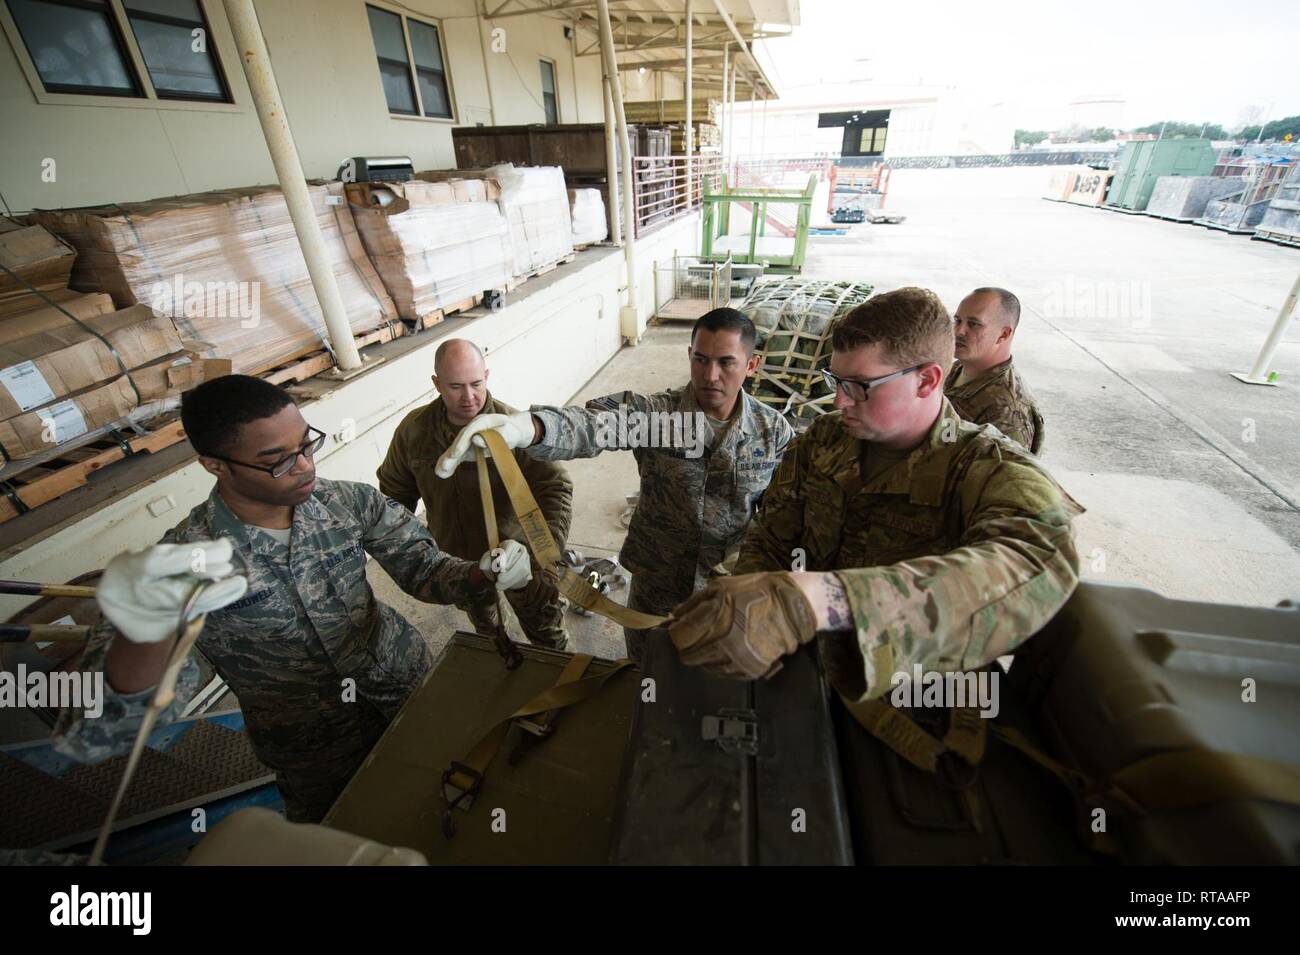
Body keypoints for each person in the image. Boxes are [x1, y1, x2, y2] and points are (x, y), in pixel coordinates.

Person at [55, 375, 532, 822]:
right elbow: (106, 728)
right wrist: (146, 633)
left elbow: (425, 570)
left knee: (442, 798)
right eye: (277, 459)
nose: (305, 465)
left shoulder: (346, 502)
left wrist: (483, 574)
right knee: (339, 831)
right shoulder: (184, 566)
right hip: (314, 748)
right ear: (215, 465)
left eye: (306, 443)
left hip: (404, 686)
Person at [667, 287, 1082, 704]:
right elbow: (773, 536)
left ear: (927, 379)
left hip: (909, 705)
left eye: (861, 385)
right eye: (837, 380)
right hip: (801, 682)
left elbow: (1035, 563)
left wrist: (821, 601)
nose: (840, 400)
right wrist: (744, 610)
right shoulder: (826, 440)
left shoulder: (988, 469)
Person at [434, 308, 794, 659]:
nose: (710, 374)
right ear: (688, 356)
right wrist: (527, 428)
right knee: (646, 677)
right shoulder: (660, 418)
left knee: (712, 687)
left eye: (726, 362)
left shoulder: (773, 432)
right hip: (656, 587)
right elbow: (596, 426)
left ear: (751, 365)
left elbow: (781, 518)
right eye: (700, 359)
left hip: (728, 594)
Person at [377, 339, 572, 649]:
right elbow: (393, 496)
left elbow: (555, 487)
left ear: (487, 375)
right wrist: (420, 549)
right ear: (436, 383)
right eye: (455, 387)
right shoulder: (415, 432)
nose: (469, 397)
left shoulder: (512, 427)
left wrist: (538, 554)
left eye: (476, 384)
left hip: (519, 559)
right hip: (461, 563)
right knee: (489, 632)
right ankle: (503, 657)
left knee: (545, 630)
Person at [945, 287, 1045, 454]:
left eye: (974, 324)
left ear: (1003, 334)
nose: (958, 331)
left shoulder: (1007, 410)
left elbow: (1004, 475)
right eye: (957, 321)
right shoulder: (954, 370)